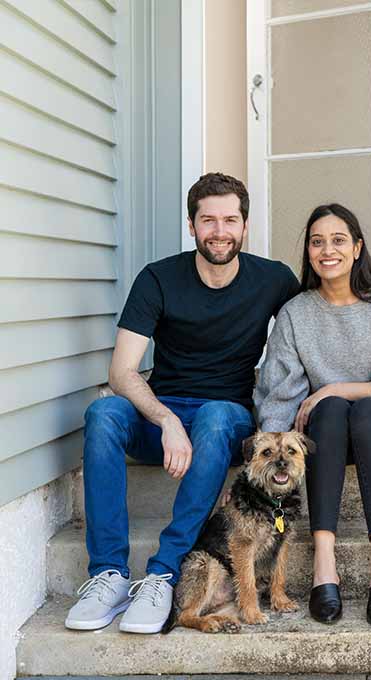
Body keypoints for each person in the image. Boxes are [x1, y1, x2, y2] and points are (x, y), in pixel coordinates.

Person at [65, 173, 301, 633]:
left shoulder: (272, 279)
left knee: (214, 417)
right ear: (192, 225)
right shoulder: (158, 278)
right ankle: (108, 575)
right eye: (208, 220)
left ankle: (163, 574)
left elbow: (308, 337)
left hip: (226, 419)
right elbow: (122, 373)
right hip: (164, 414)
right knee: (103, 413)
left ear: (244, 226)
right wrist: (167, 420)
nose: (219, 230)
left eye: (230, 219)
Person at [255, 203, 371, 628]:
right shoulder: (297, 313)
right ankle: (324, 564)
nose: (326, 250)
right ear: (309, 253)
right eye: (317, 242)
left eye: (337, 240)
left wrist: (334, 387)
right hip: (332, 433)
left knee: (362, 409)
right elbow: (280, 394)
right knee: (330, 411)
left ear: (356, 248)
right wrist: (266, 456)